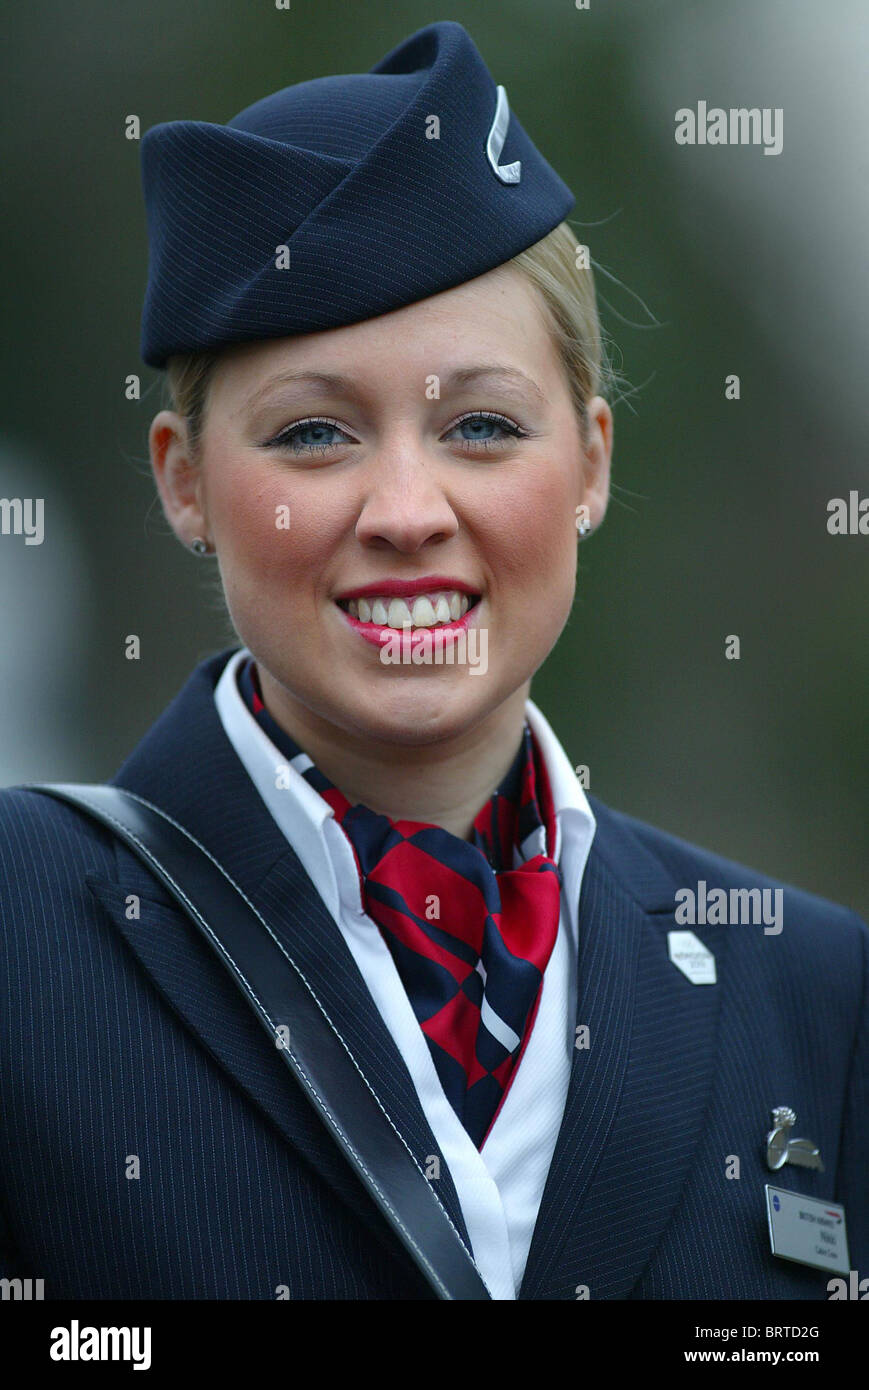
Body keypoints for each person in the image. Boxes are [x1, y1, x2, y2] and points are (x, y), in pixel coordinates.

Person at [0, 19, 865, 1303]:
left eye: (478, 425)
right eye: (311, 433)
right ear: (184, 483)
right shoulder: (24, 935)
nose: (406, 510)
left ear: (591, 460)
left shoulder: (813, 992)